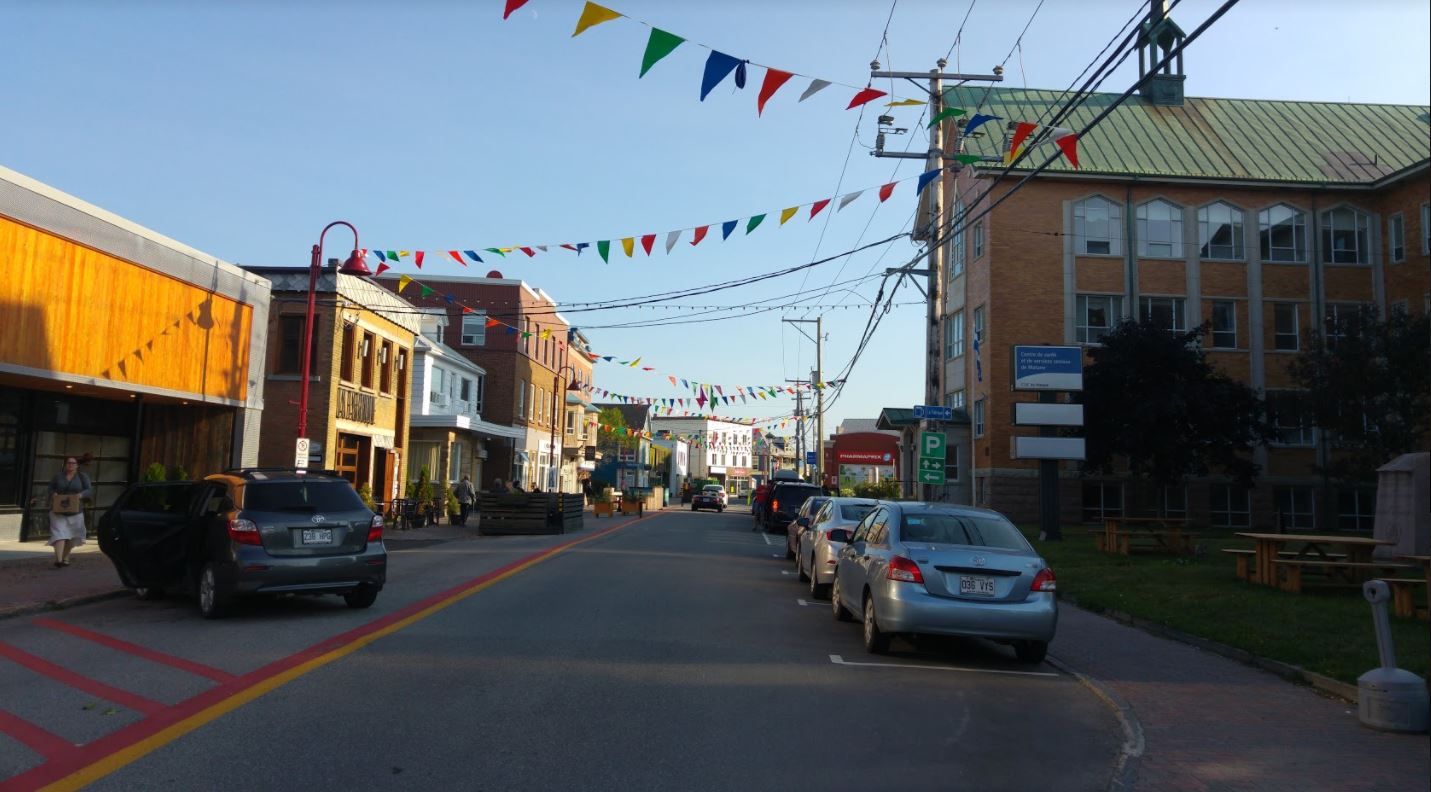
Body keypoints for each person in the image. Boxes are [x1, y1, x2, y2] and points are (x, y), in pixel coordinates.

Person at [46, 456, 91, 568]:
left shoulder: (82, 477)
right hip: (58, 510)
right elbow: (50, 488)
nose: (70, 465)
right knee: (59, 534)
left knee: (73, 536)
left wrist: (81, 495)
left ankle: (65, 557)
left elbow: (89, 489)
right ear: (65, 464)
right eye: (68, 463)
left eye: (73, 463)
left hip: (76, 511)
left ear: (77, 465)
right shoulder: (57, 476)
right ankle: (59, 560)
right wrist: (53, 494)